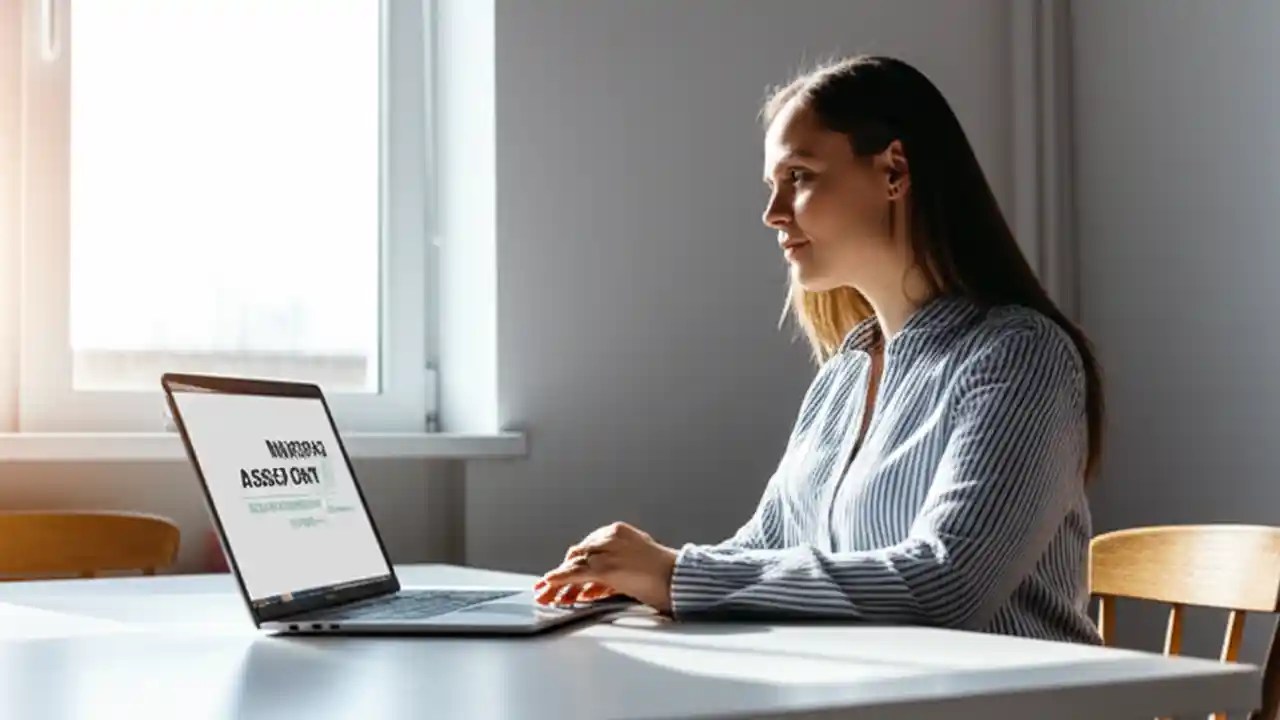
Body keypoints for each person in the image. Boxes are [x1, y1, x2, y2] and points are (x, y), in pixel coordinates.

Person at [533, 55, 1105, 644]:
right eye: (772, 185)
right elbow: (767, 547)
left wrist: (678, 574)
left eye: (799, 176)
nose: (772, 213)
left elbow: (945, 586)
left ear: (894, 171)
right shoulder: (844, 378)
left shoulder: (1020, 356)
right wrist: (638, 577)